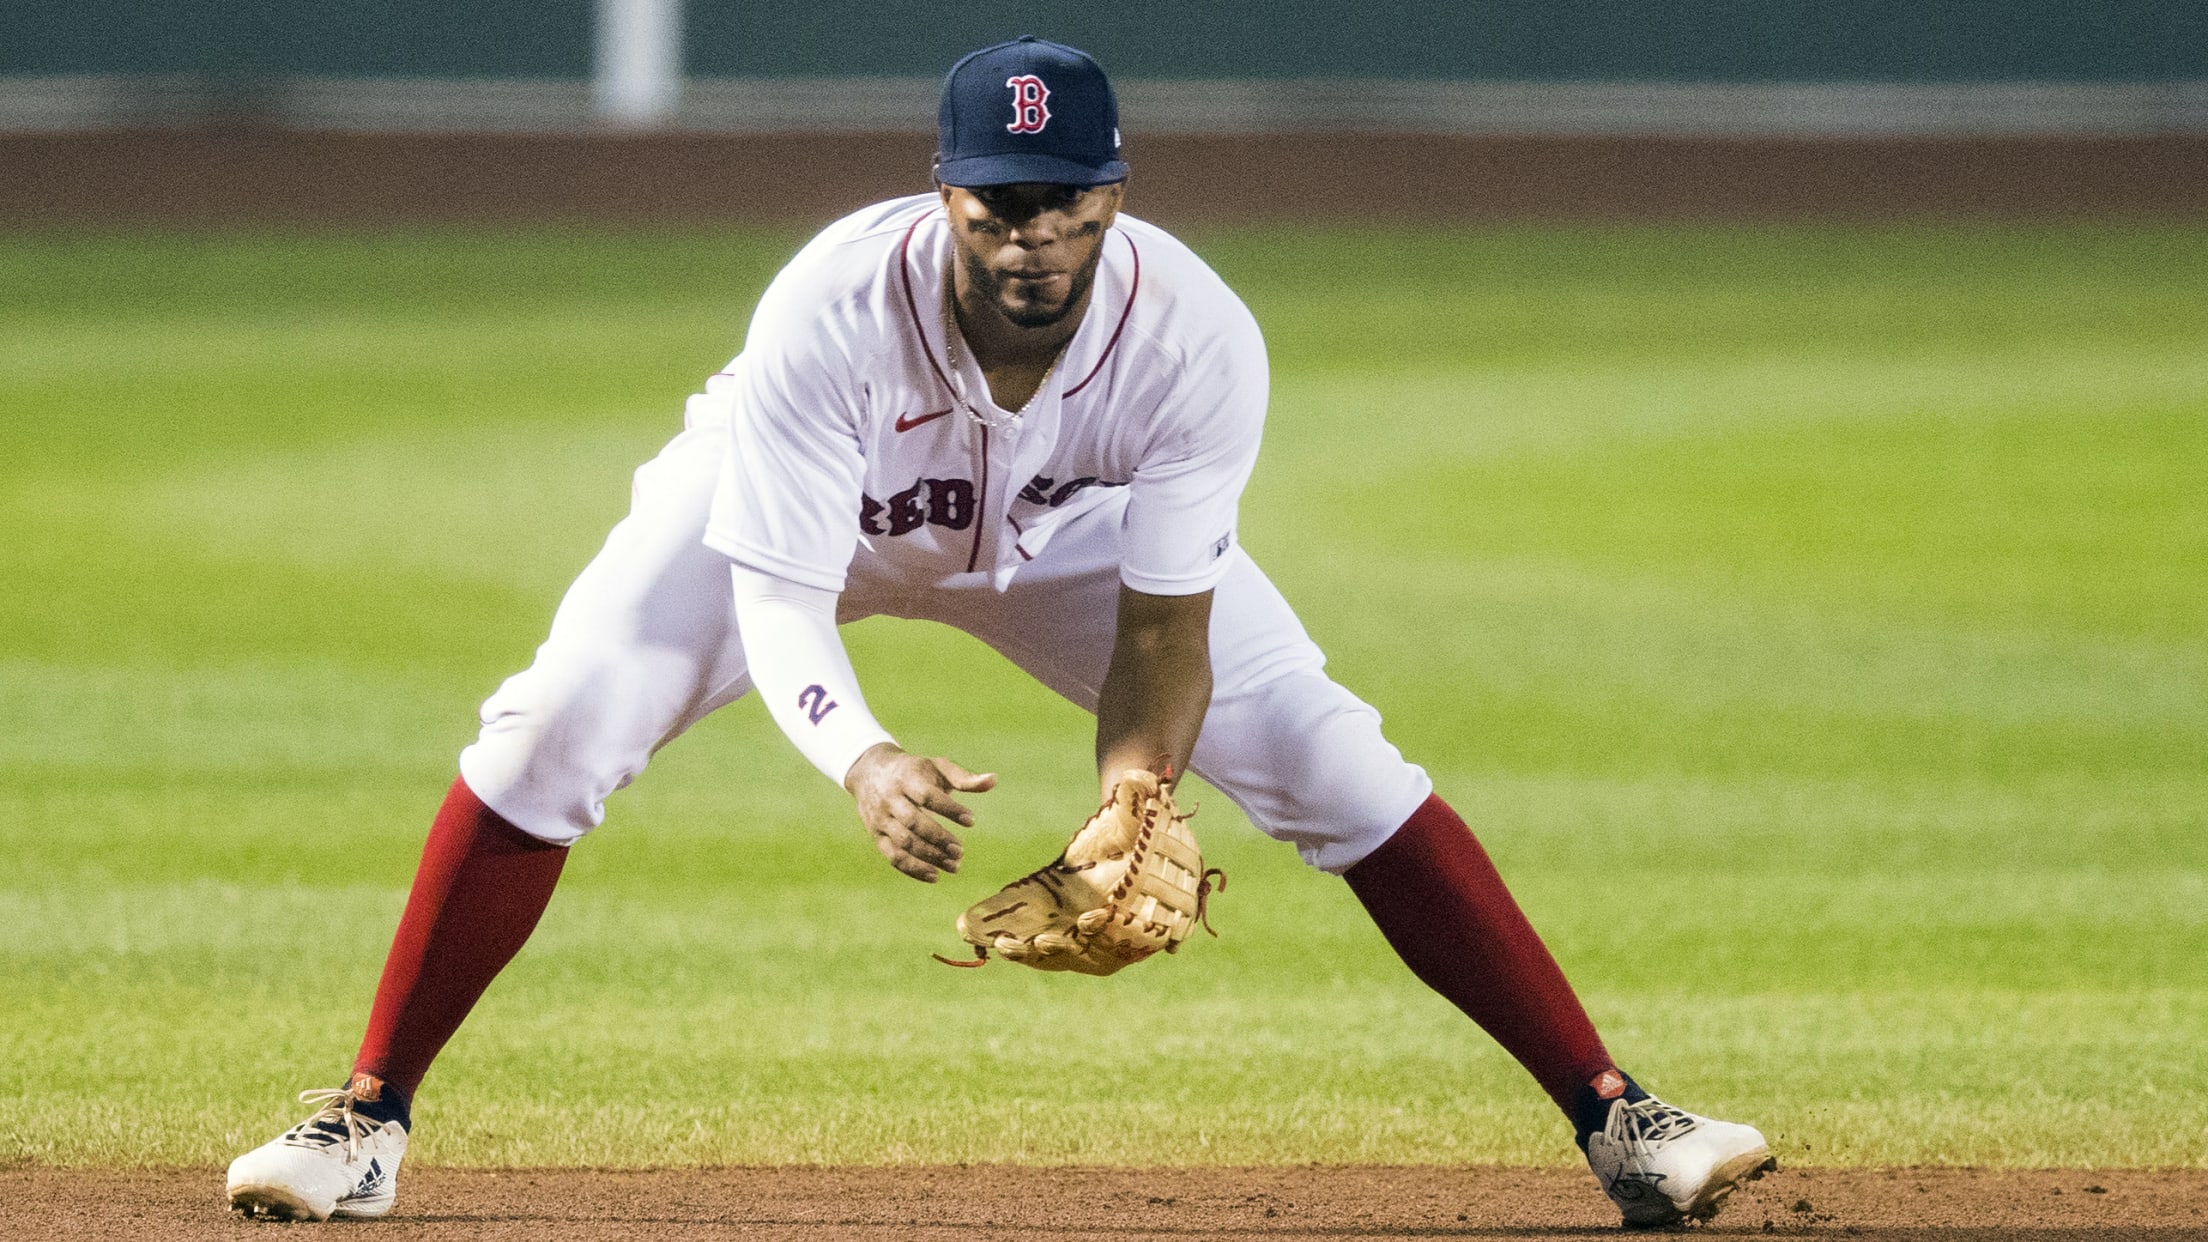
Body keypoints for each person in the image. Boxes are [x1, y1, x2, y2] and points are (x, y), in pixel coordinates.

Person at [225, 36, 1773, 1230]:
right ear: (947, 193)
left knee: (1333, 758)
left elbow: (1167, 626)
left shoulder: (1195, 339)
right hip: (810, 510)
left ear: (1115, 195)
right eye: (999, 203)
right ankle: (364, 1122)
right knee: (551, 726)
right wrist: (860, 756)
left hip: (1066, 540)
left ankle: (1618, 1117)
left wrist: (1134, 799)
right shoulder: (831, 307)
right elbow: (775, 589)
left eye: (1064, 203)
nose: (1031, 236)